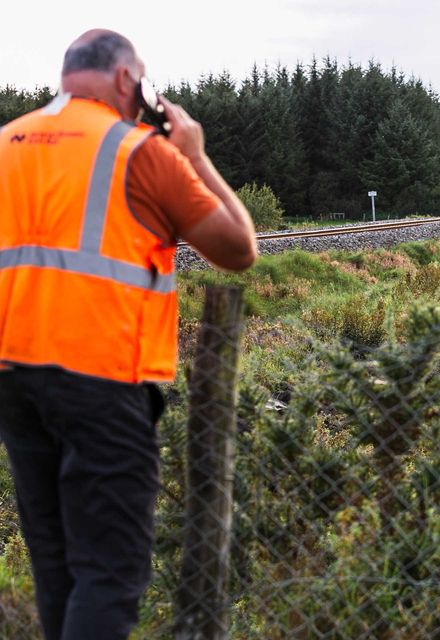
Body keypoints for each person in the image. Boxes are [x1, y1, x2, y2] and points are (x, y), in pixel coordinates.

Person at [0, 29, 257, 639]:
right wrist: (194, 153)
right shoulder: (139, 151)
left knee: (58, 569)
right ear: (127, 81)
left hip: (13, 379)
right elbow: (238, 248)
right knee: (111, 574)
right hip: (103, 379)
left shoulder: (6, 144)